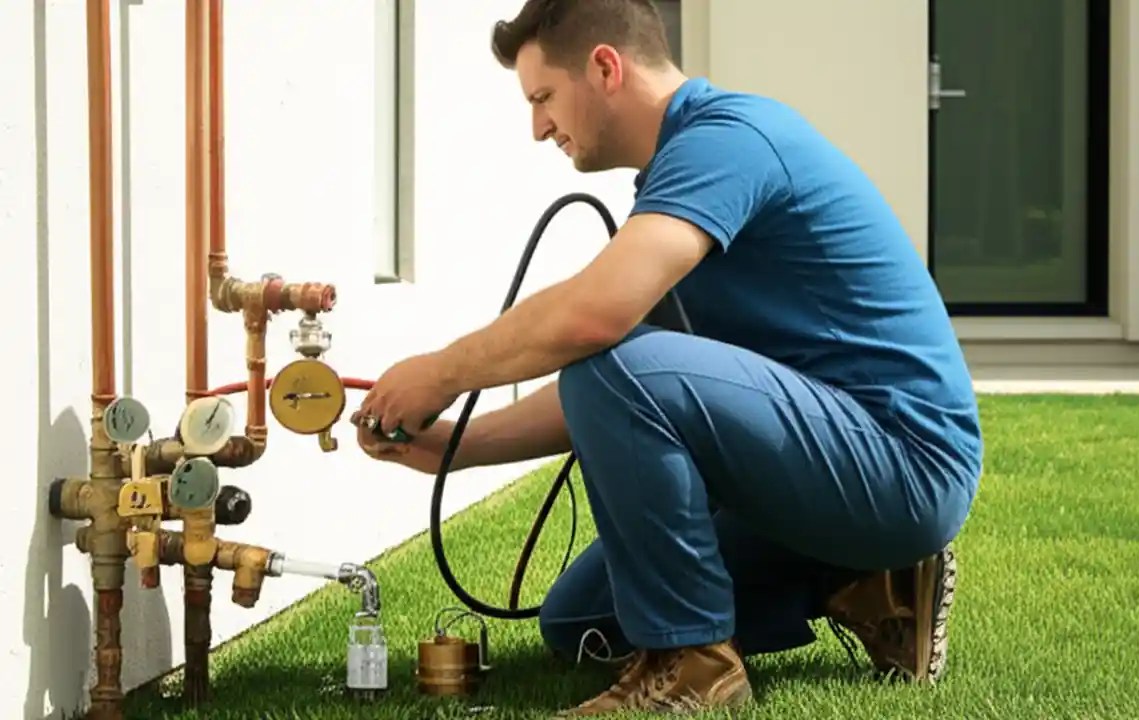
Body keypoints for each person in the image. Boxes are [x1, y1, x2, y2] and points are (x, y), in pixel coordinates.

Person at [353, 0, 983, 715]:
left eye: (543, 98)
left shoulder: (728, 140)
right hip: (828, 467)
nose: (537, 129)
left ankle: (695, 666)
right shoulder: (673, 182)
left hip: (903, 463)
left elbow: (599, 328)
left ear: (604, 67)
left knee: (609, 364)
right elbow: (626, 379)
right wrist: (455, 448)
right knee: (581, 622)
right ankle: (873, 583)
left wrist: (441, 372)